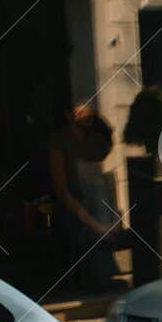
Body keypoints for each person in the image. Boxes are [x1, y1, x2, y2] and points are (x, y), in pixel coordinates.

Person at [48, 105, 122, 293]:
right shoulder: (60, 142)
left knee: (103, 236)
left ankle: (102, 277)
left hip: (96, 203)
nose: (84, 121)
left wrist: (96, 117)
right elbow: (63, 192)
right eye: (79, 117)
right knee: (85, 235)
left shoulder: (93, 140)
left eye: (88, 118)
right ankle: (87, 281)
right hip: (75, 209)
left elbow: (108, 146)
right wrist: (95, 225)